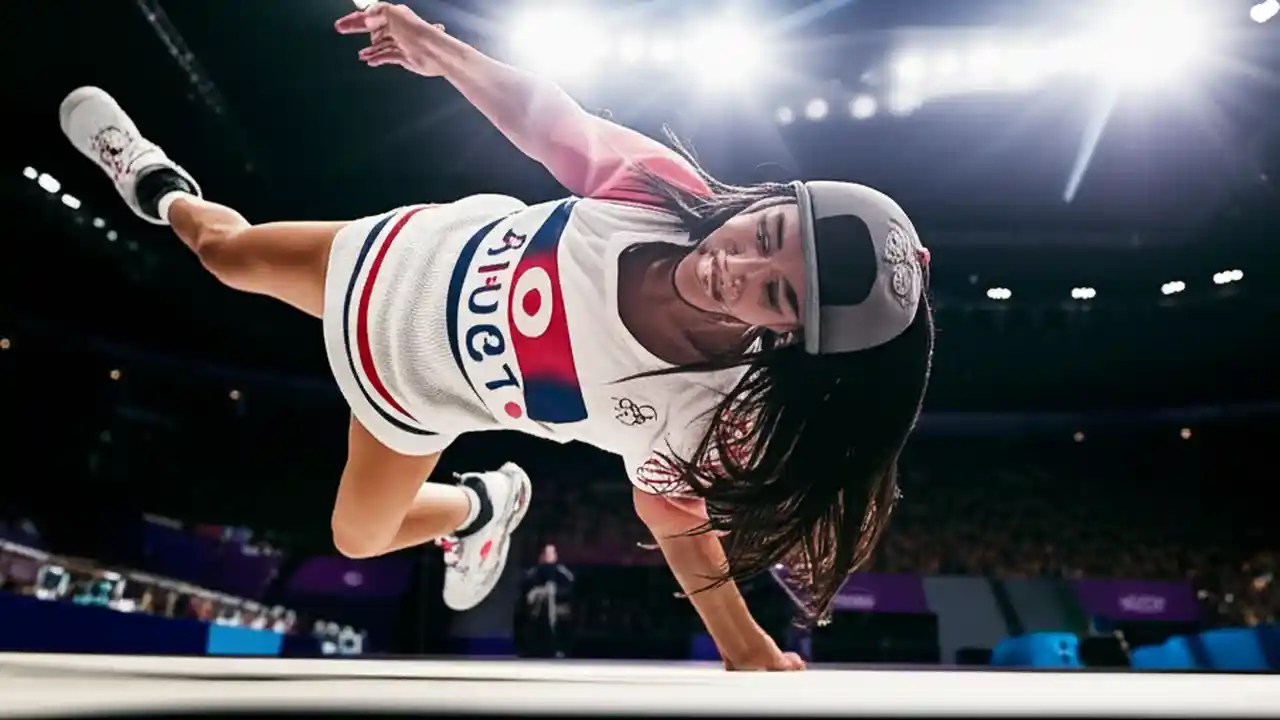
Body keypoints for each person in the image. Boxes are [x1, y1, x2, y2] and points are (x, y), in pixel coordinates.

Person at [58, 2, 933, 671]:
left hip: (412, 394)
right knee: (222, 251)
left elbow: (675, 516)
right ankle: (150, 175)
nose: (736, 266)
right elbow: (548, 118)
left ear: (790, 334)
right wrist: (440, 51)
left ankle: (482, 505)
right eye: (766, 235)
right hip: (394, 256)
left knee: (359, 538)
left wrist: (742, 645)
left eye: (773, 292)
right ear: (770, 200)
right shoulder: (662, 193)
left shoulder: (704, 409)